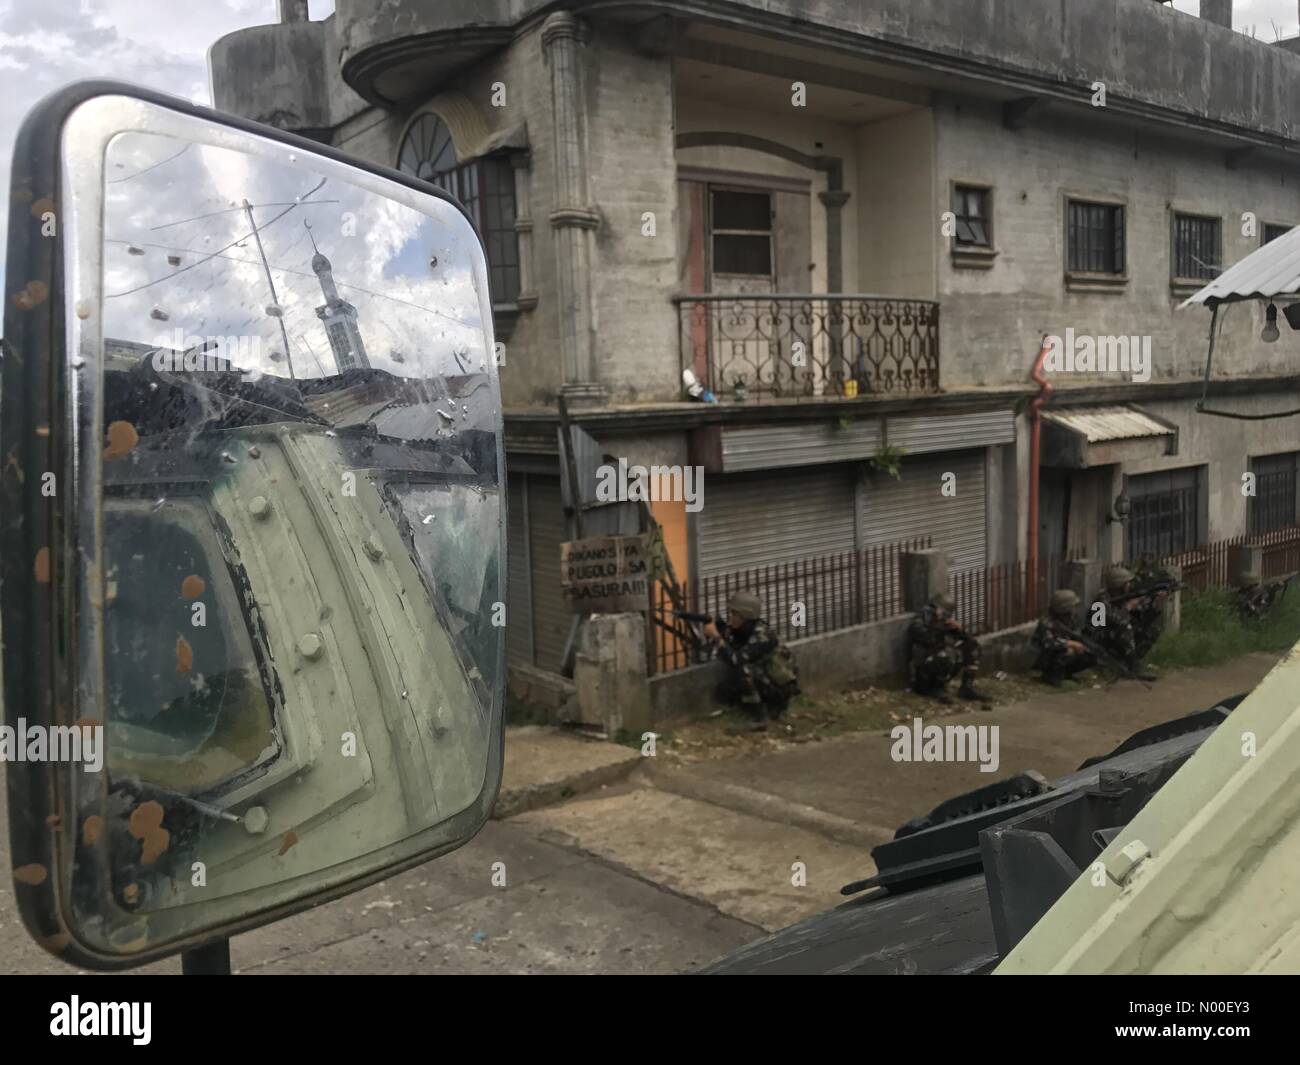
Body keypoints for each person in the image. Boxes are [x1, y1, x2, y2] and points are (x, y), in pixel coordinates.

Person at [707, 592, 800, 730]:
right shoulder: (746, 629)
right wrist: (724, 633)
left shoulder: (762, 636)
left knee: (743, 669)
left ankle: (760, 718)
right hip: (769, 681)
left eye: (734, 614)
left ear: (745, 615)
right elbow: (733, 649)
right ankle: (753, 708)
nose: (731, 618)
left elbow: (736, 659)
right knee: (724, 692)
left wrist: (716, 638)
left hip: (780, 689)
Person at [907, 592, 990, 705]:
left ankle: (967, 687)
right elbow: (929, 639)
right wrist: (940, 627)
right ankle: (935, 688)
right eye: (944, 612)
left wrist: (959, 630)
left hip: (940, 661)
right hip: (922, 674)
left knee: (972, 647)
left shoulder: (942, 623)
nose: (945, 617)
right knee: (944, 655)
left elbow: (966, 640)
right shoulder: (919, 621)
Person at [1090, 565, 1158, 680]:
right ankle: (1132, 667)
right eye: (1127, 583)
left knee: (1150, 630)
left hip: (1114, 634)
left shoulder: (1121, 597)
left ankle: (1129, 662)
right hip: (1100, 638)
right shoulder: (1101, 601)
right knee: (1125, 628)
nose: (1129, 586)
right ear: (1119, 585)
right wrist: (1128, 607)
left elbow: (1141, 619)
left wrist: (1155, 607)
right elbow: (1113, 622)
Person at [1031, 589, 1095, 686]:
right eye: (1073, 606)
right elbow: (1048, 643)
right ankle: (1050, 676)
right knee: (1068, 652)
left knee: (1089, 655)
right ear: (1065, 608)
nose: (1075, 609)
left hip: (1057, 653)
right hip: (1043, 657)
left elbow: (1077, 634)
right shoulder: (1047, 622)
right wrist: (1070, 644)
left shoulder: (1070, 619)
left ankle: (1065, 674)